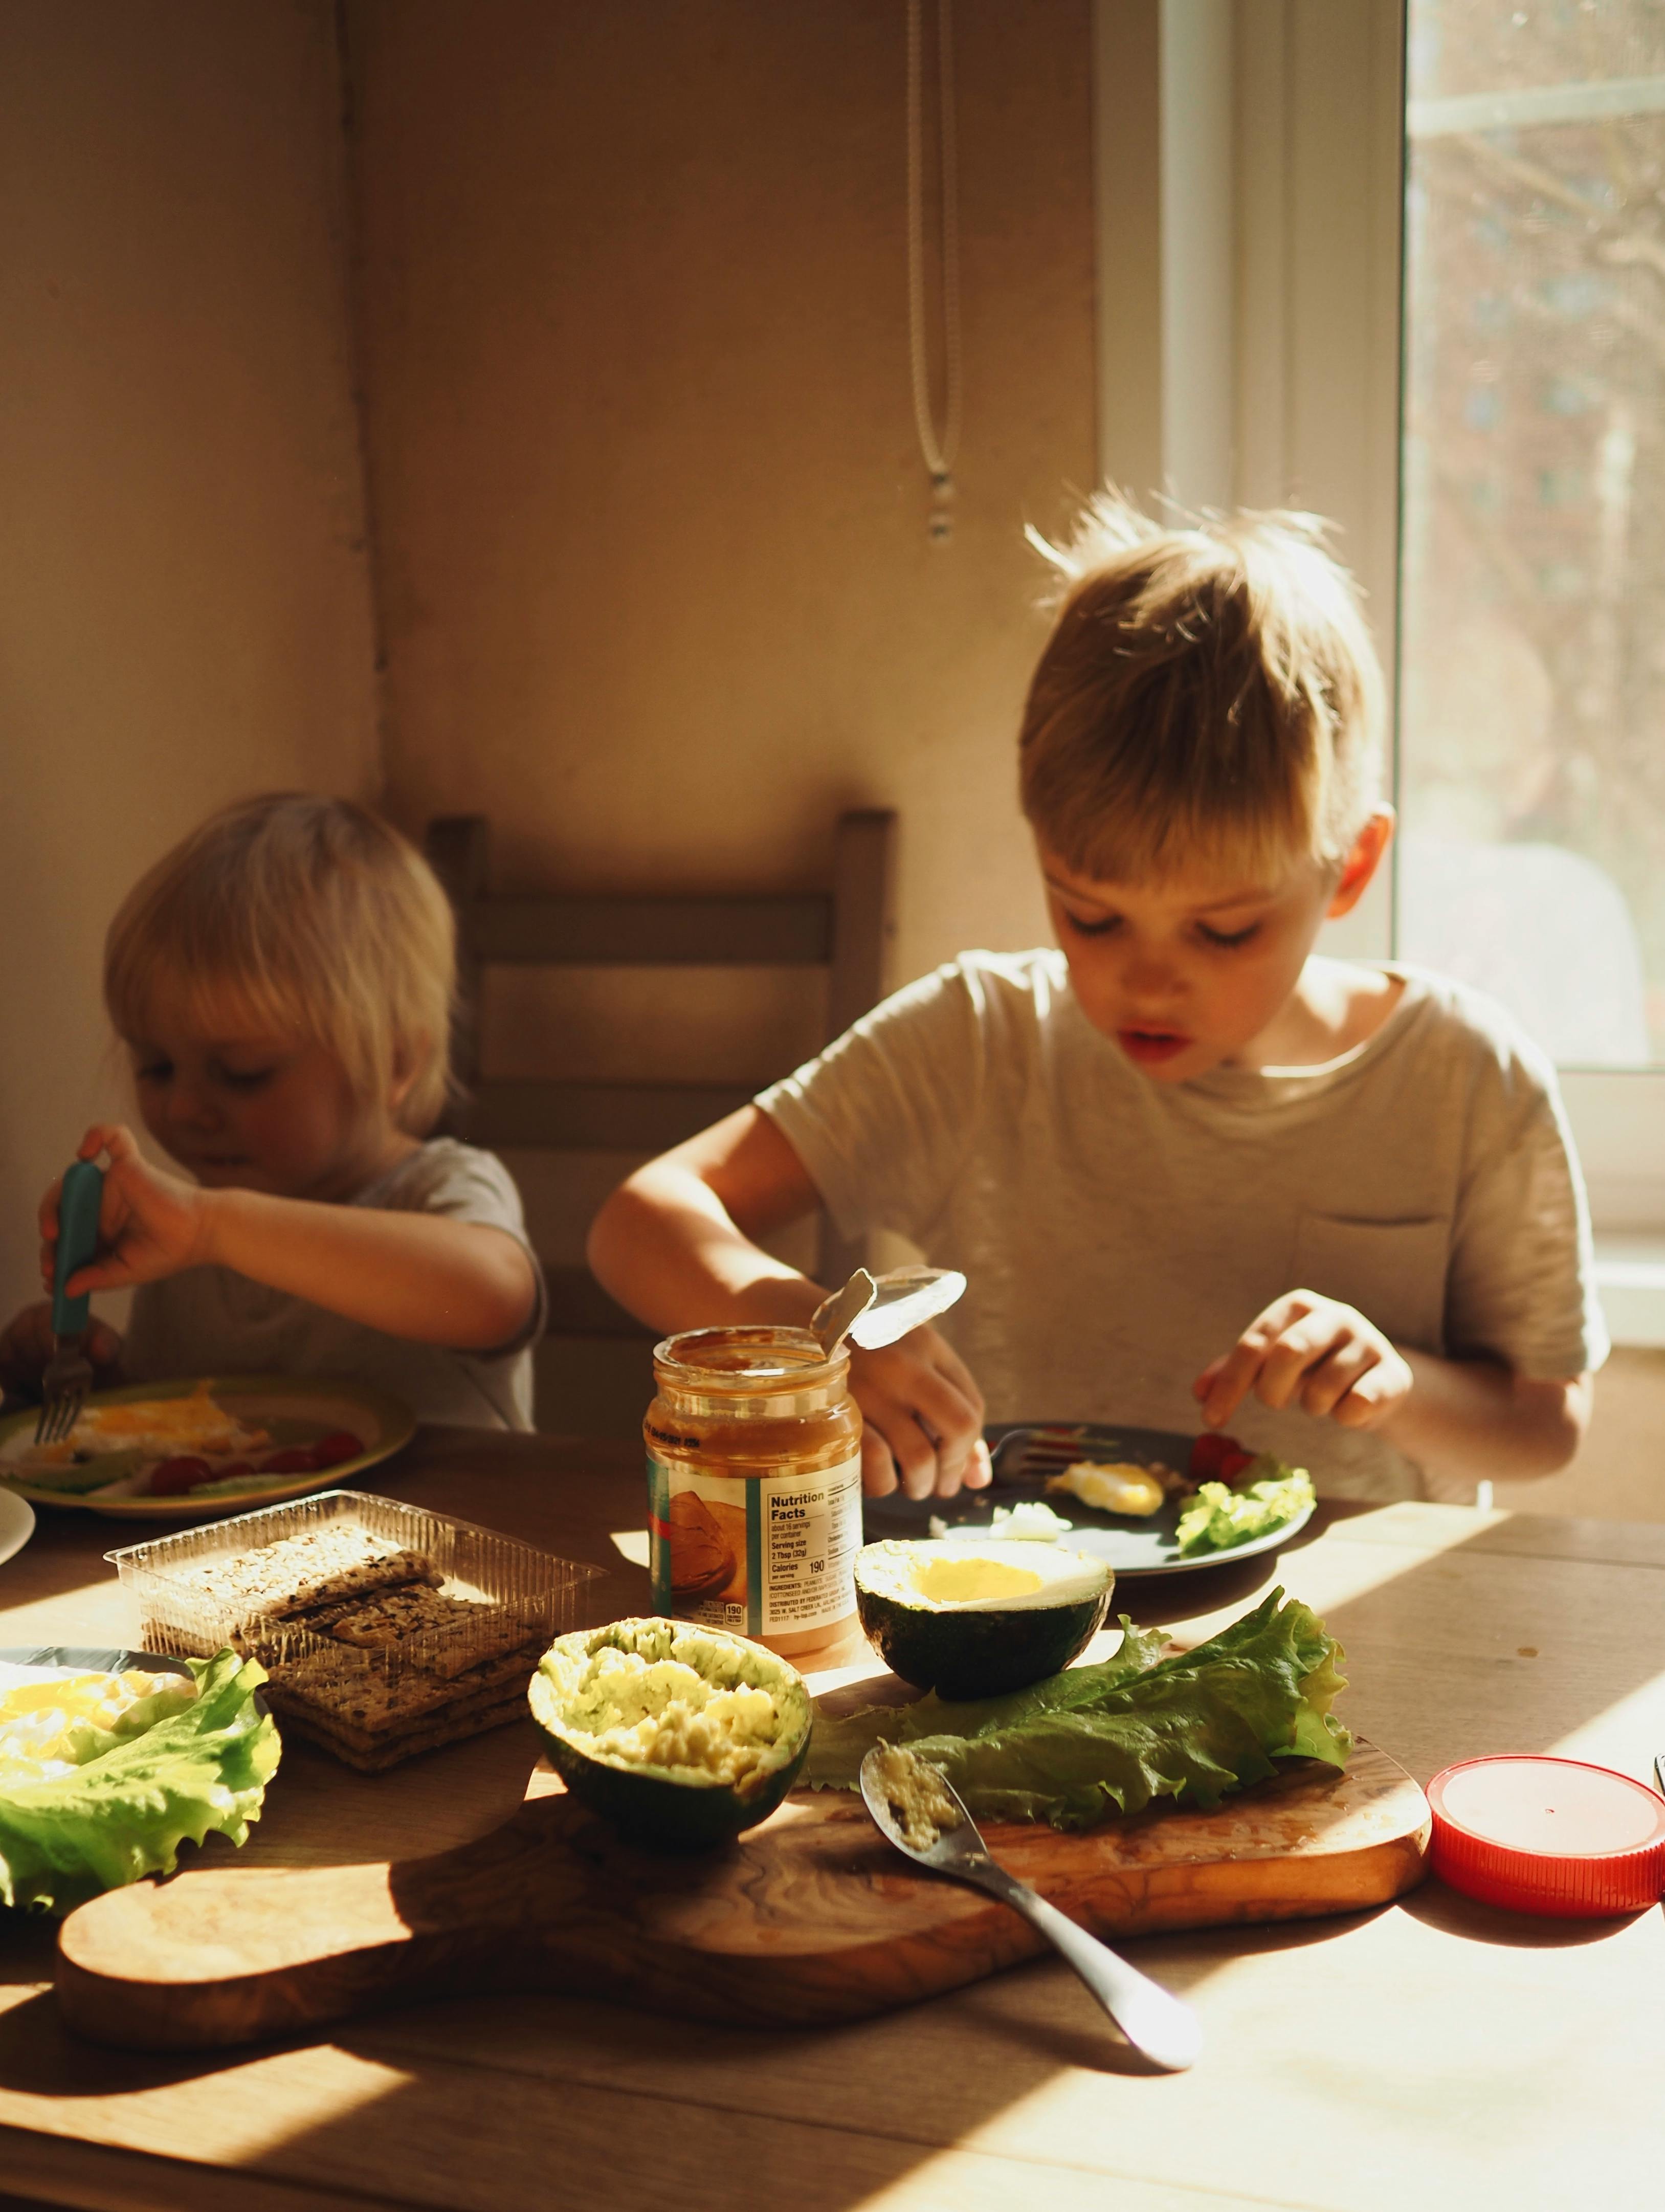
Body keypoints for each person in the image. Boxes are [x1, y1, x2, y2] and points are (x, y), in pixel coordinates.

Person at [587, 496, 1605, 1504]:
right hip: (1026, 1639)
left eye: (1222, 930)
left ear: (1348, 868)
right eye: (1089, 915)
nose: (1144, 978)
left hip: (1352, 1652)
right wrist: (821, 1331)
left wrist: (1396, 1387)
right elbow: (641, 1221)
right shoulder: (983, 1037)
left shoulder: (1468, 1077)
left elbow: (1543, 1427)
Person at [0, 793, 544, 1428]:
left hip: (451, 1524)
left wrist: (215, 1229)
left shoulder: (438, 1186)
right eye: (156, 1066)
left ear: (395, 1063)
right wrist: (96, 1384)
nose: (182, 1105)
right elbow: (196, 1426)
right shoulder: (195, 1223)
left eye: (243, 1074)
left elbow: (497, 1299)